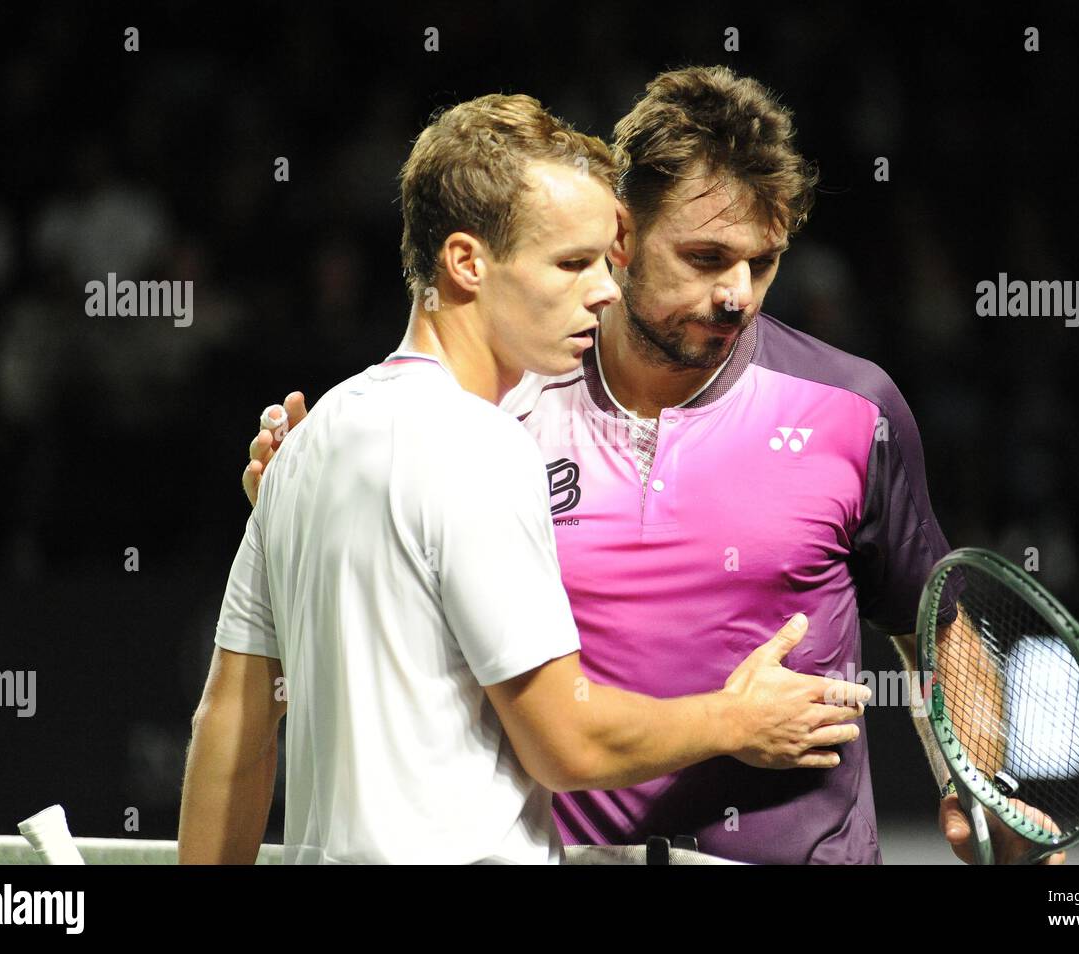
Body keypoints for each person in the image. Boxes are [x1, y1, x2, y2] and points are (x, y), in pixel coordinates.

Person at [242, 67, 1061, 864]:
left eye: (764, 261)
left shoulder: (851, 407)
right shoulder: (490, 413)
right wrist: (301, 485)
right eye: (705, 258)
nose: (739, 293)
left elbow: (934, 621)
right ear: (620, 236)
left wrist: (980, 781)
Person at [178, 92, 871, 865]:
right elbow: (564, 745)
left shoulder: (304, 451)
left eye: (603, 263)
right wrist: (735, 720)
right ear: (467, 263)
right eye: (572, 264)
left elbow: (230, 731)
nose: (605, 291)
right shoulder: (488, 446)